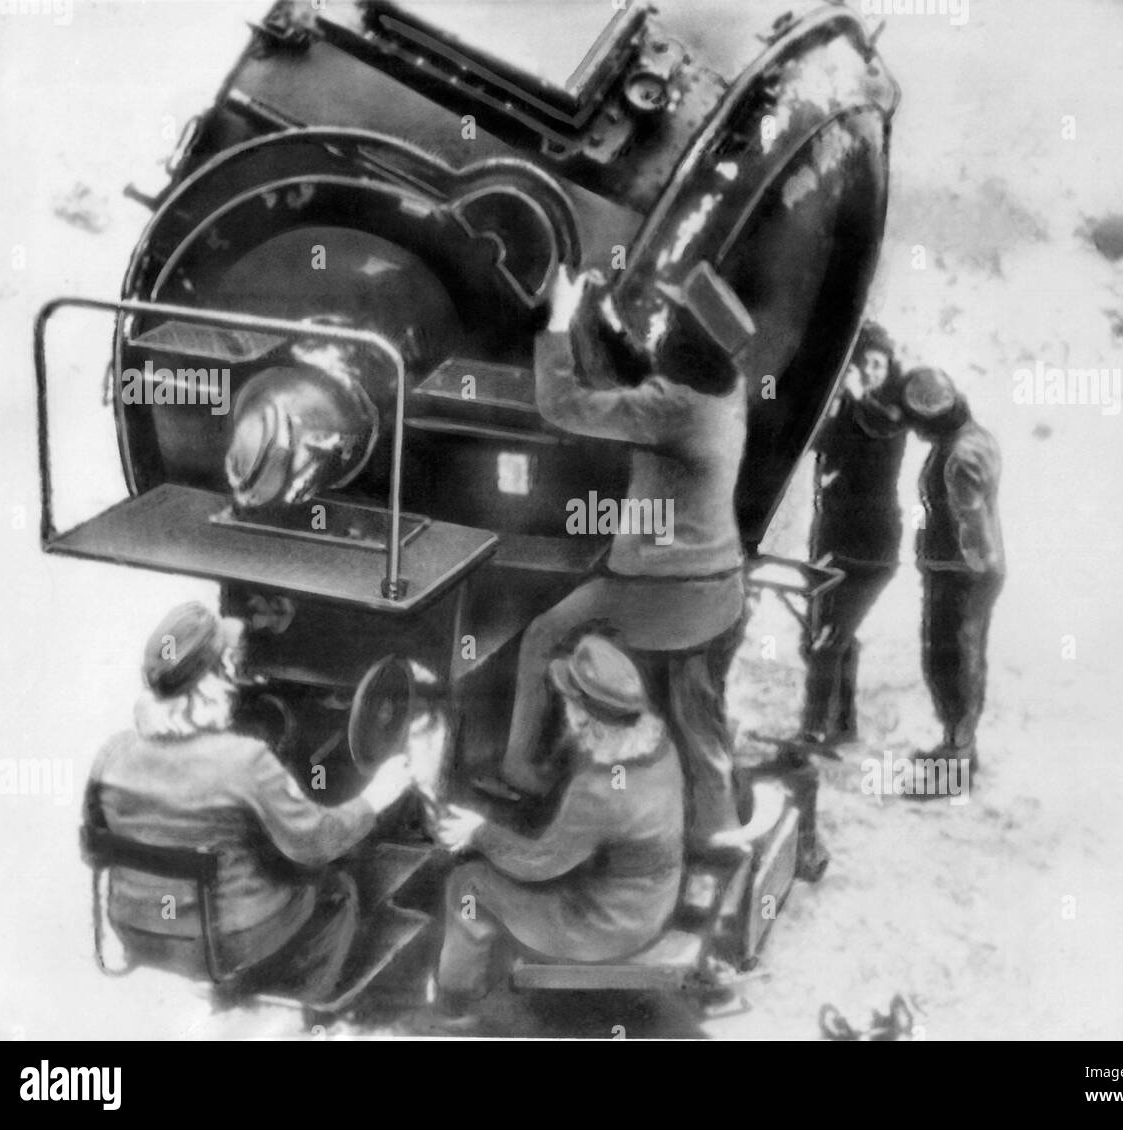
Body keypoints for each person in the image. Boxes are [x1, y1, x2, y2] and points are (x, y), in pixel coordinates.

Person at [483, 261, 757, 851]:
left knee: (545, 635)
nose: (660, 323)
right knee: (696, 705)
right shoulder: (728, 386)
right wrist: (605, 322)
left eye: (672, 318)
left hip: (663, 595)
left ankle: (522, 772)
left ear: (686, 339)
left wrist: (559, 319)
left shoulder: (668, 407)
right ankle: (717, 827)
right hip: (723, 591)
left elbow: (563, 406)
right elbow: (644, 380)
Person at [85, 602, 414, 1003]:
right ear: (217, 678)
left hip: (133, 933)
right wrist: (375, 797)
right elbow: (318, 843)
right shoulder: (246, 762)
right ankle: (300, 992)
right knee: (338, 889)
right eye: (231, 664)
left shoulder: (111, 754)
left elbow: (100, 837)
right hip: (228, 947)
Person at [432, 635, 684, 1025]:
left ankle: (454, 1005)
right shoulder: (659, 748)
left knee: (468, 884)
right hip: (650, 903)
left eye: (569, 703)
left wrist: (479, 831)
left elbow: (538, 864)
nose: (564, 709)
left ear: (583, 717)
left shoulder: (596, 793)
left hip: (605, 927)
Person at [794, 322, 908, 749]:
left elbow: (876, 431)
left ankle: (814, 729)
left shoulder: (891, 414)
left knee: (828, 639)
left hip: (871, 548)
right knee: (833, 635)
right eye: (863, 363)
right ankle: (842, 726)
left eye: (878, 364)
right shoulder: (850, 410)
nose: (871, 371)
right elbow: (817, 441)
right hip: (836, 538)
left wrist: (852, 396)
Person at [897, 368, 1004, 791]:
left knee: (951, 665)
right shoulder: (974, 438)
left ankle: (955, 765)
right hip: (960, 572)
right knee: (960, 660)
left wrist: (968, 572)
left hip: (960, 575)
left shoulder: (960, 456)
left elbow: (971, 520)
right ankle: (957, 746)